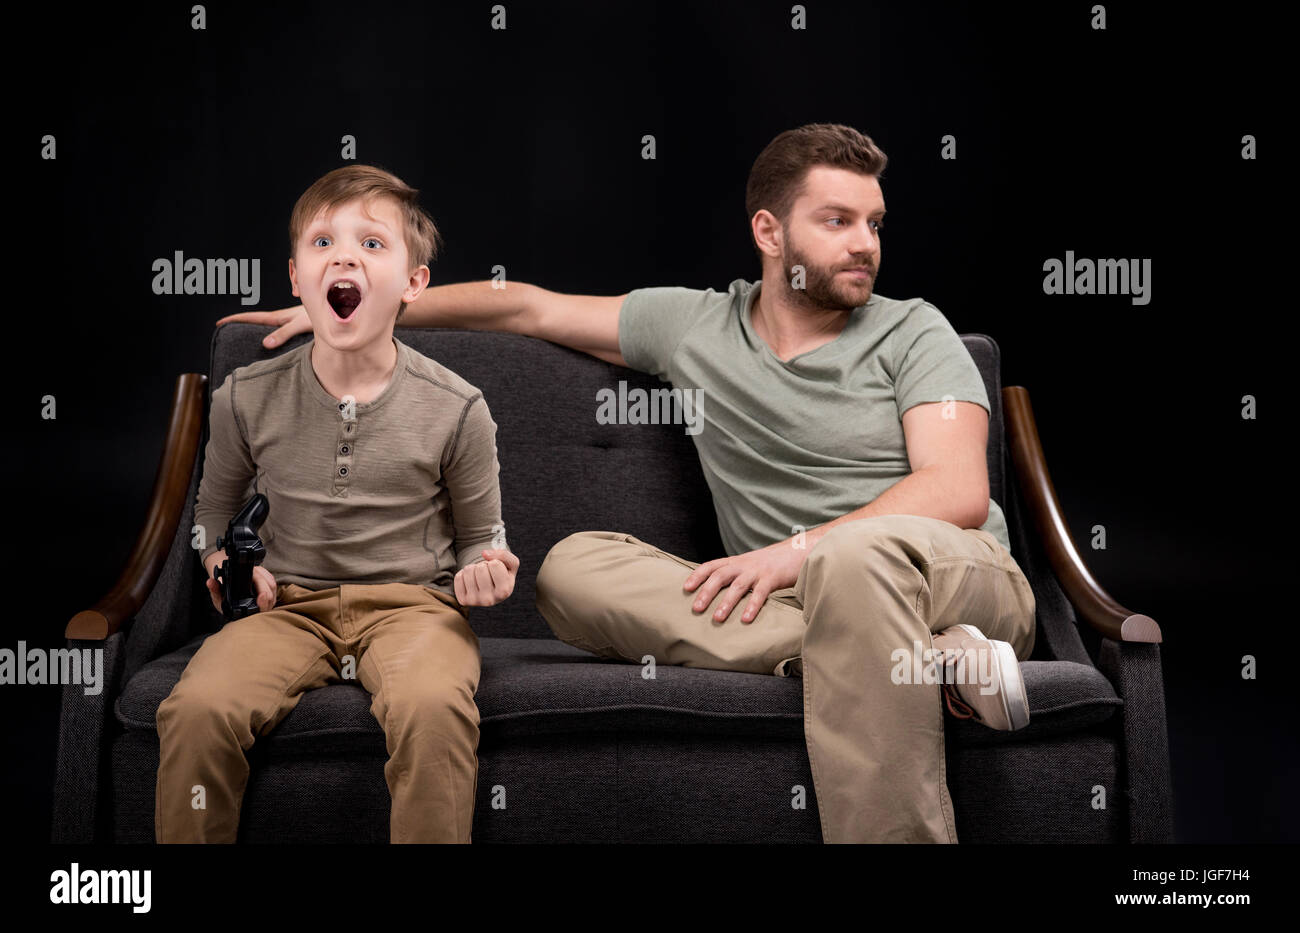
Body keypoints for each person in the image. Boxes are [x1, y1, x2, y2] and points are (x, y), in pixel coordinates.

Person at [219, 123, 1036, 843]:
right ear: (769, 230)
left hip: (949, 574)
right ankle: (916, 662)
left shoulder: (913, 328)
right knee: (574, 569)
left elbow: (956, 489)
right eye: (838, 221)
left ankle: (899, 668)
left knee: (855, 563)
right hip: (793, 603)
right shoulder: (695, 325)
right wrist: (361, 309)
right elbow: (527, 310)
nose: (866, 243)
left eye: (874, 224)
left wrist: (794, 553)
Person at [158, 164, 519, 843]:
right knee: (198, 707)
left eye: (373, 243)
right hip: (285, 608)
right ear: (296, 278)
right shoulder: (245, 395)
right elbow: (211, 515)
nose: (345, 254)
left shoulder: (458, 406)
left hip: (414, 608)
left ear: (414, 284)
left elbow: (482, 536)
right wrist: (223, 566)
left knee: (433, 706)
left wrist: (486, 566)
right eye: (322, 242)